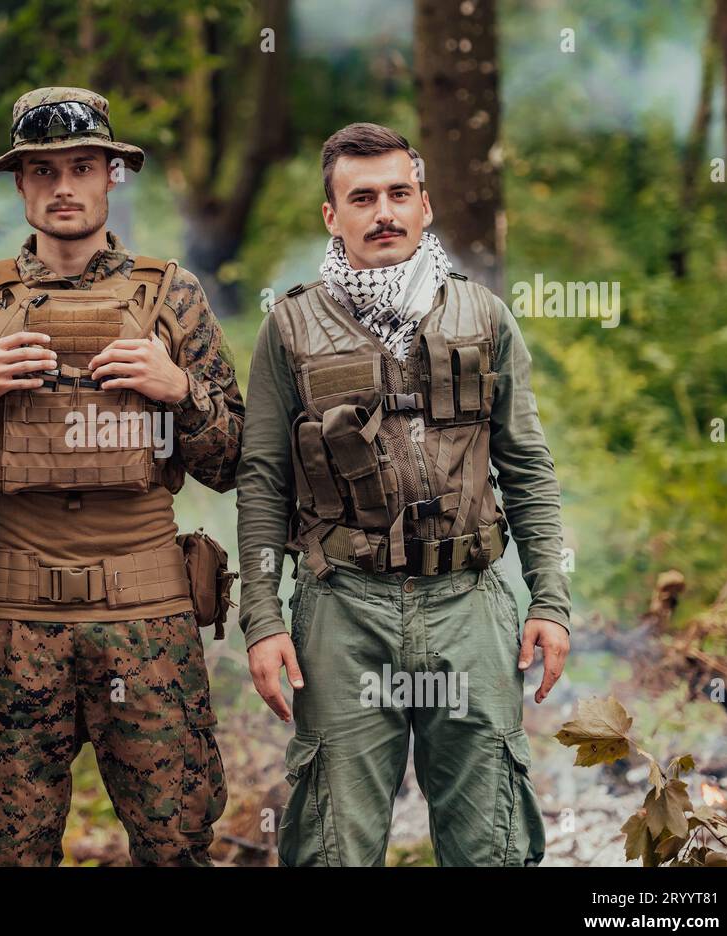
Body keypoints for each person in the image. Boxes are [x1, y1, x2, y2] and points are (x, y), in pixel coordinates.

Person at [0, 87, 244, 866]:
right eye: (43, 170)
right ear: (20, 184)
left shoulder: (172, 297)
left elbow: (235, 460)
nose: (64, 185)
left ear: (111, 177)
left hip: (149, 618)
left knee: (176, 847)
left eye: (83, 166)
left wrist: (180, 390)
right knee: (11, 851)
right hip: (13, 621)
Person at [236, 123, 571, 866]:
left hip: (469, 607)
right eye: (361, 198)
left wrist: (549, 597)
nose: (382, 212)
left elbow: (528, 467)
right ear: (332, 215)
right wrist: (261, 616)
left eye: (398, 193)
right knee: (332, 845)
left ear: (424, 204)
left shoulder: (482, 316)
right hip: (343, 610)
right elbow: (261, 482)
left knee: (492, 844)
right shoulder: (288, 329)